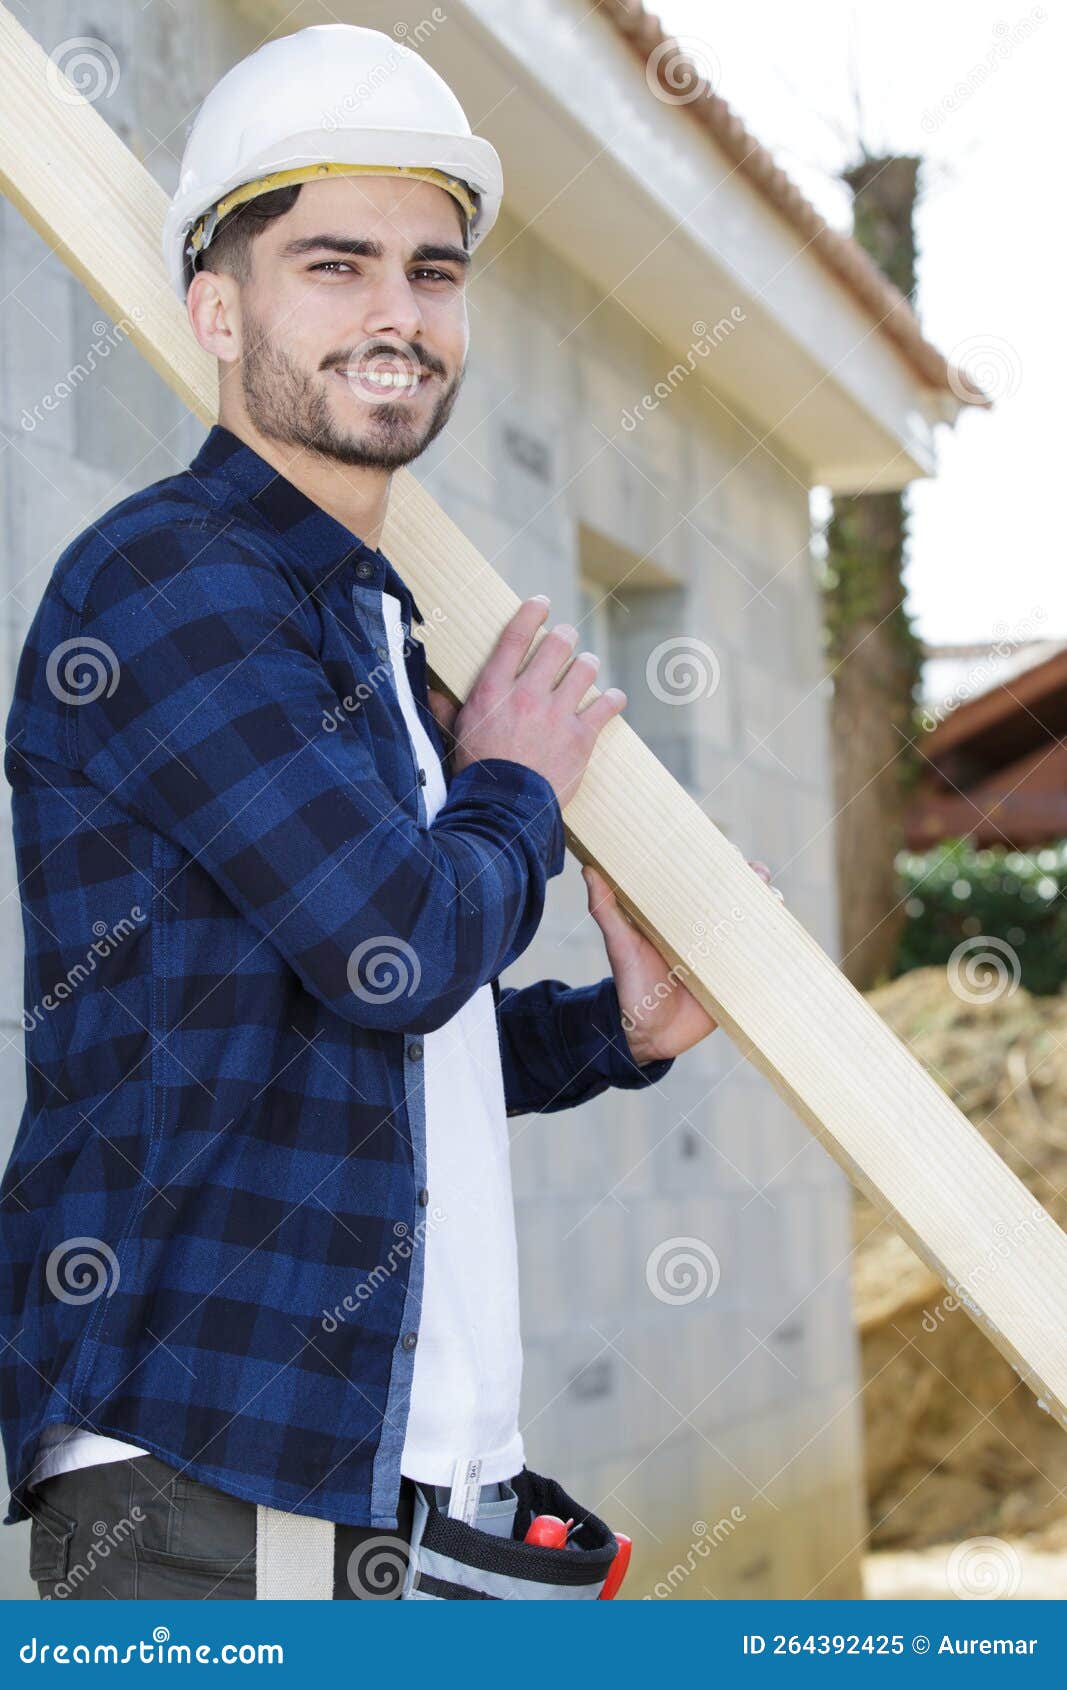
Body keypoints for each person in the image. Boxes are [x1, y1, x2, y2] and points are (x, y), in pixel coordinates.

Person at [0, 23, 773, 1599]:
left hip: (389, 1489)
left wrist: (609, 1034)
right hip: (203, 1486)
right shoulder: (170, 583)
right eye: (334, 264)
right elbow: (400, 947)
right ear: (218, 310)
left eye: (432, 270)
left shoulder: (372, 626)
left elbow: (385, 1048)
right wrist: (517, 784)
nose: (396, 314)